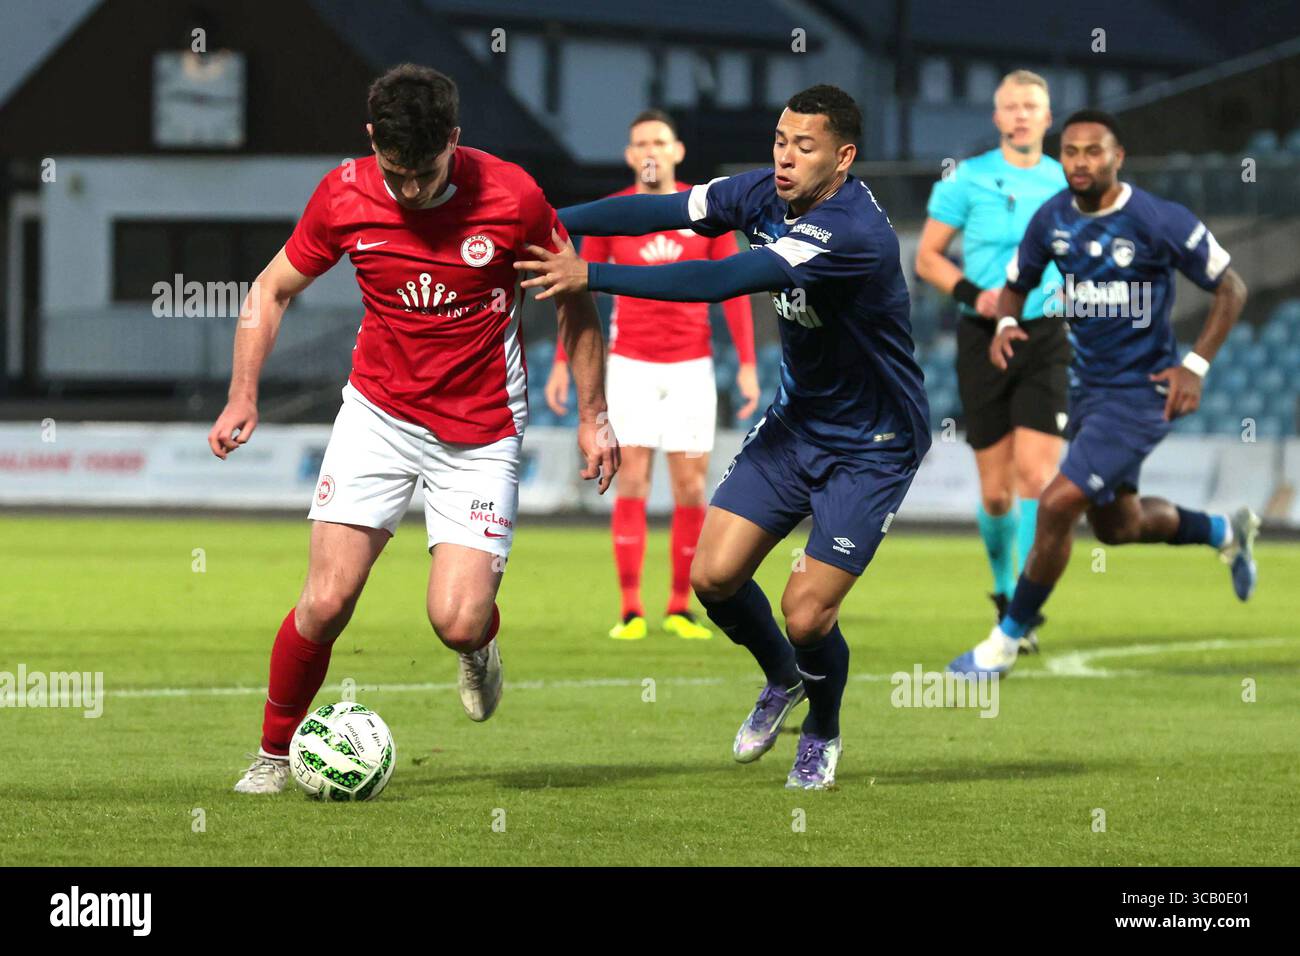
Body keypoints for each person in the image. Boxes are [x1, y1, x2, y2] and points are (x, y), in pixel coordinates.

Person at [208, 64, 618, 794]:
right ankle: (272, 754)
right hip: (379, 414)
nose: (408, 191)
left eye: (424, 174)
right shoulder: (343, 194)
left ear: (454, 141)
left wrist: (593, 417)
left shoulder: (513, 197)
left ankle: (480, 647)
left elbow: (574, 301)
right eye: (395, 173)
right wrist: (244, 394)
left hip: (482, 428)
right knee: (326, 600)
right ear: (372, 141)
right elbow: (270, 289)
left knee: (457, 621)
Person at [516, 85, 931, 790]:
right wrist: (550, 222)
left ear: (844, 157)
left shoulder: (852, 229)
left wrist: (592, 271)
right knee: (713, 577)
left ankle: (822, 731)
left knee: (806, 614)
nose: (785, 157)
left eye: (805, 146)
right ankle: (781, 680)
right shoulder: (761, 194)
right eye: (779, 140)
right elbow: (660, 207)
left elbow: (726, 279)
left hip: (873, 442)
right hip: (797, 423)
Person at [947, 110, 1257, 677]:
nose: (1081, 162)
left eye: (1094, 151)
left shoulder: (1159, 220)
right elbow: (1015, 286)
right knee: (1118, 527)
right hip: (1088, 392)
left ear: (1119, 157)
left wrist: (1195, 365)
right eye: (1070, 152)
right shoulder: (1051, 219)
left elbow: (1231, 287)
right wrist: (1006, 326)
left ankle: (1006, 639)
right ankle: (1224, 530)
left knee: (1060, 502)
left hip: (1143, 395)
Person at [545, 109, 759, 641]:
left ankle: (679, 606)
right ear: (628, 154)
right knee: (633, 480)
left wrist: (750, 364)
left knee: (690, 486)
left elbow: (732, 291)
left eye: (659, 142)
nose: (650, 151)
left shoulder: (705, 208)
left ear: (677, 151)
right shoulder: (613, 213)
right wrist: (559, 365)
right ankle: (631, 609)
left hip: (692, 365)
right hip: (631, 364)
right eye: (641, 142)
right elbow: (578, 289)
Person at [915, 70, 1069, 647]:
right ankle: (1004, 589)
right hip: (981, 335)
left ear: (1048, 117)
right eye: (1012, 106)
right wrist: (970, 294)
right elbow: (929, 258)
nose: (1023, 114)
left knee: (1037, 476)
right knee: (997, 491)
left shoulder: (1066, 183)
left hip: (1046, 330)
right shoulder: (967, 180)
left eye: (1033, 105)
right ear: (998, 118)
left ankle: (1021, 612)